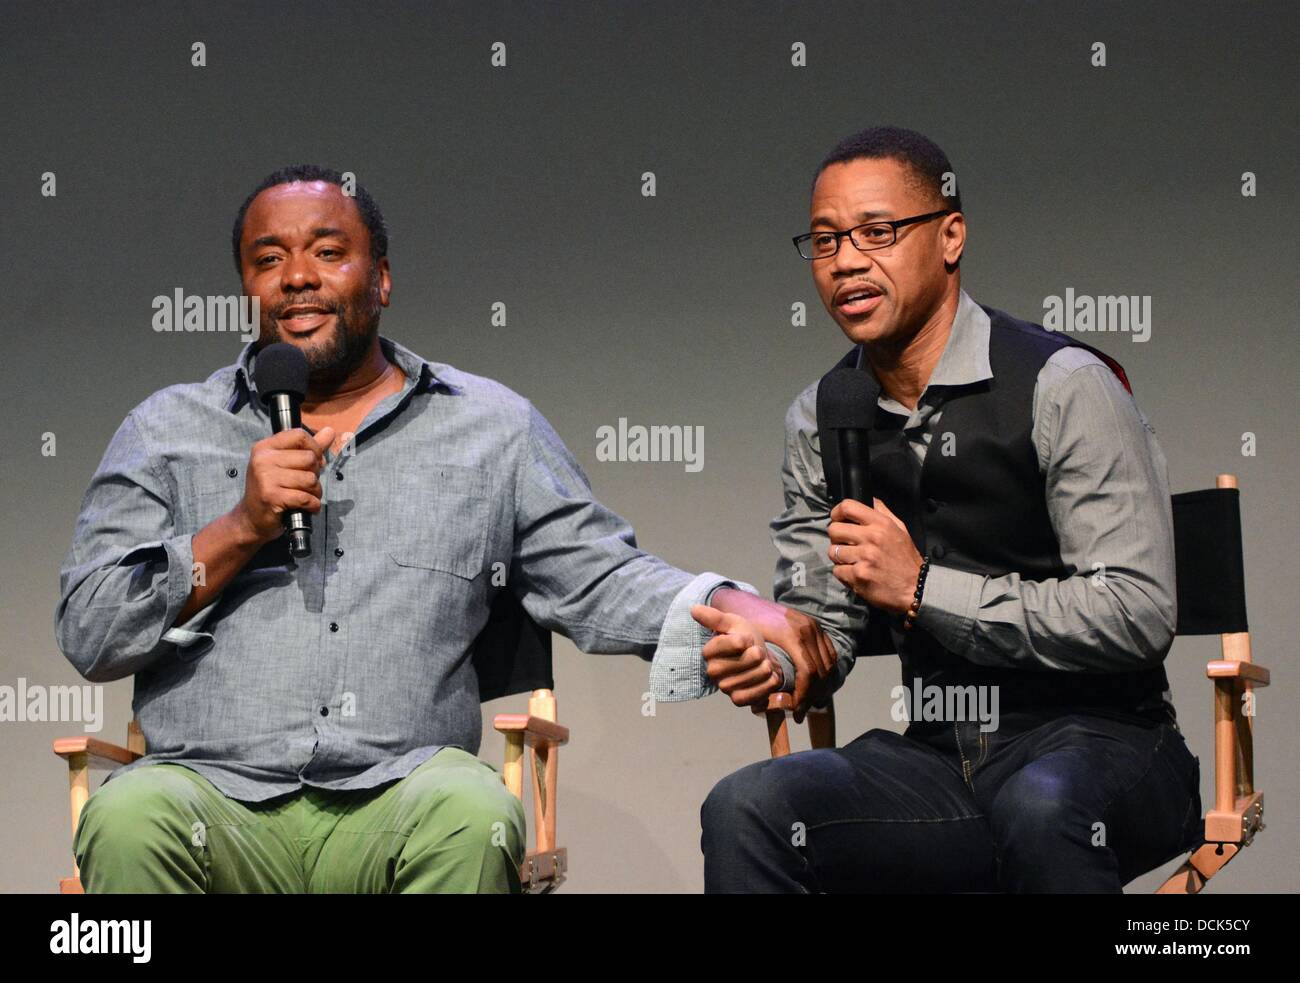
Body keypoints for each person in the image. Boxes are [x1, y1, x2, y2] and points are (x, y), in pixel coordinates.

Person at [55, 164, 831, 893]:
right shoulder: (166, 429)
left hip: (401, 797)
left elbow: (598, 577)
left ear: (382, 278)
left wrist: (732, 605)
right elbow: (91, 630)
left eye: (328, 251)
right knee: (123, 817)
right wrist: (237, 528)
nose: (297, 276)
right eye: (269, 260)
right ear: (246, 287)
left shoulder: (488, 429)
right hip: (205, 799)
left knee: (475, 811)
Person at [692, 127, 1203, 892]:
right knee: (747, 807)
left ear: (951, 235)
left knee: (1041, 806)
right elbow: (825, 627)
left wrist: (925, 588)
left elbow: (1135, 610)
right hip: (940, 758)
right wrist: (778, 655)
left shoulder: (1063, 385)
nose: (846, 261)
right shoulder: (822, 415)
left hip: (1108, 742)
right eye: (825, 241)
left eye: (878, 232)